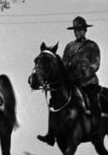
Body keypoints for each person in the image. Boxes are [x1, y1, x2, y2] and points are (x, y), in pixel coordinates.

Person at [37, 16, 102, 146]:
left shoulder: (92, 46)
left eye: (80, 30)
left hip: (88, 82)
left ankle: (95, 132)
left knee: (94, 100)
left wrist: (83, 74)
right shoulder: (69, 46)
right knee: (54, 101)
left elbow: (96, 64)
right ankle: (51, 134)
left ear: (85, 30)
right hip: (72, 82)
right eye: (76, 30)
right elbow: (65, 64)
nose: (78, 32)